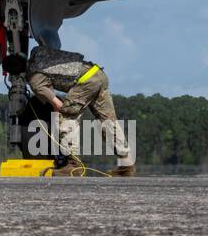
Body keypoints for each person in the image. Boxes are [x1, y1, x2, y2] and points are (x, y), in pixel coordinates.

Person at [26, 46, 135, 176]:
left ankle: (73, 165)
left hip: (86, 81)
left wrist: (60, 119)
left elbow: (58, 105)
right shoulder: (38, 53)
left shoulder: (34, 80)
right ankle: (126, 164)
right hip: (98, 74)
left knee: (67, 116)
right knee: (107, 121)